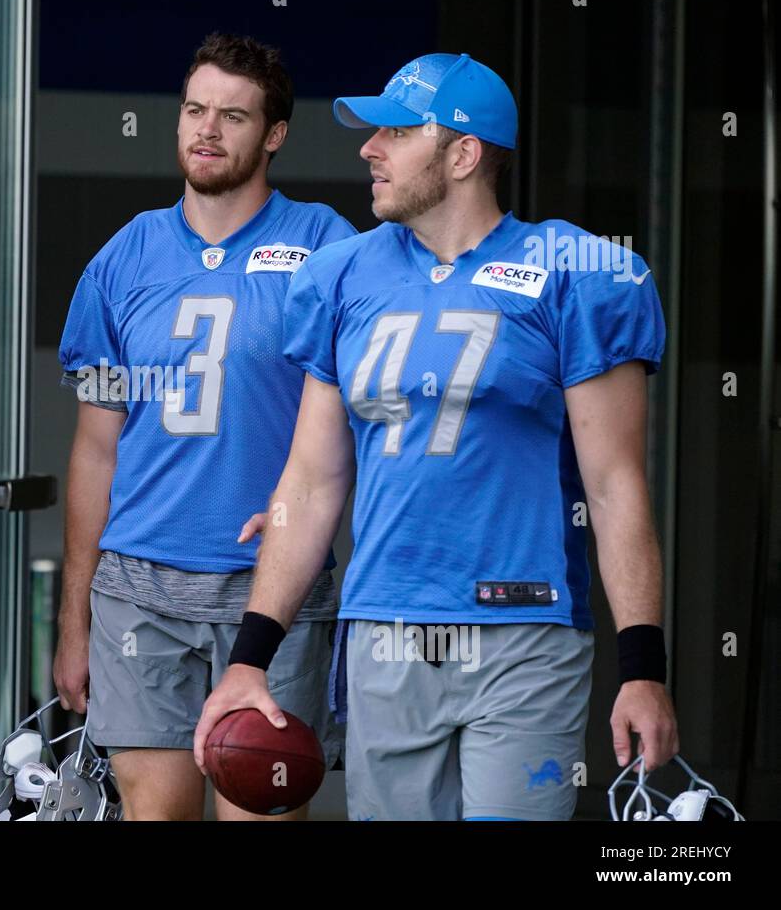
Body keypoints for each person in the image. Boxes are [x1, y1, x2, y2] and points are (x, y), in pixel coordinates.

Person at [196, 53, 679, 820]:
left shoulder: (576, 271)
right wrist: (250, 659)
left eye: (395, 129)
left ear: (463, 152)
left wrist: (643, 667)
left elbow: (616, 486)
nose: (369, 149)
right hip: (385, 626)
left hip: (525, 626)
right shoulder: (341, 275)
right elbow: (313, 482)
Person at [55, 33, 358, 820]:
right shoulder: (122, 258)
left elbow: (369, 418)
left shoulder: (327, 248)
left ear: (276, 134)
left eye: (233, 115)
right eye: (195, 109)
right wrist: (74, 619)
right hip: (139, 590)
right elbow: (95, 453)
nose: (207, 130)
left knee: (256, 813)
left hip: (272, 587)